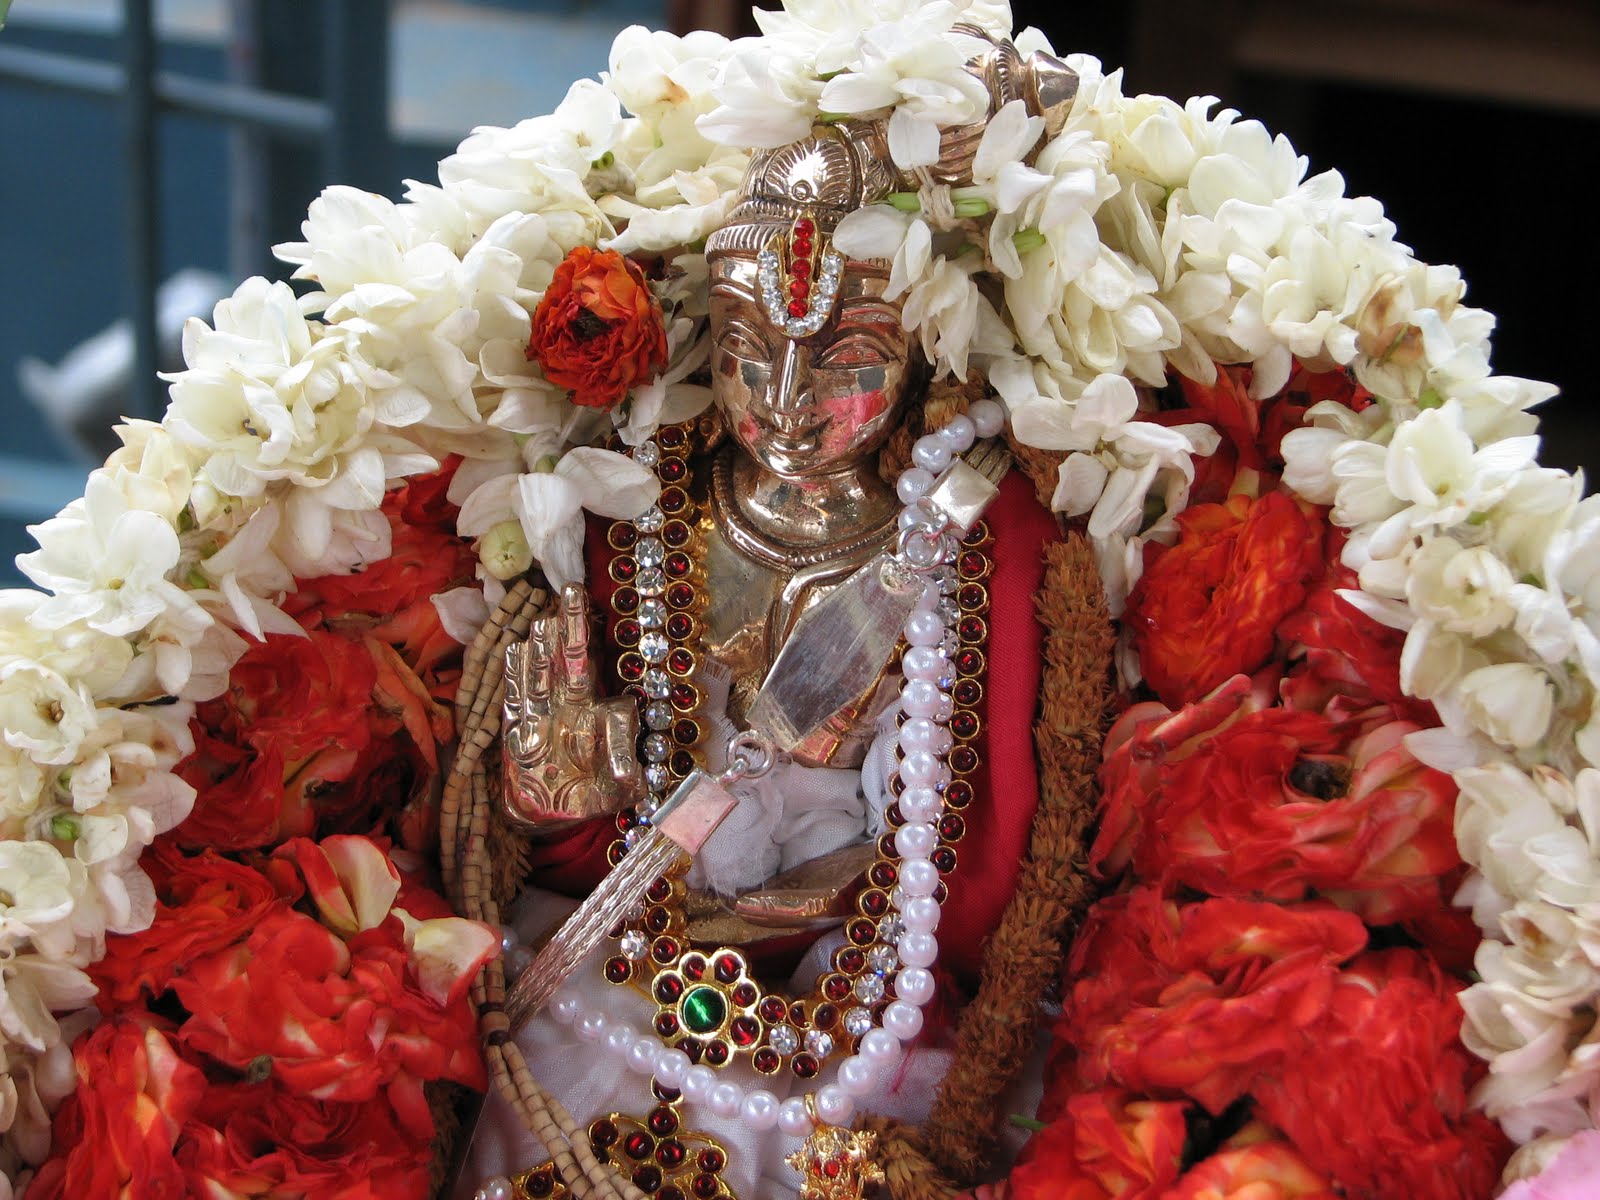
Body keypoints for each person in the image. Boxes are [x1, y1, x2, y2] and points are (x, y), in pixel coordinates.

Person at [463, 35, 1073, 1200]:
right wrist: (546, 804)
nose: (786, 406)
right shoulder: (638, 505)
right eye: (748, 354)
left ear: (923, 351)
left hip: (866, 1015)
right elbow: (586, 825)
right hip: (620, 979)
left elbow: (987, 848)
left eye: (844, 359)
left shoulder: (969, 534)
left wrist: (843, 886)